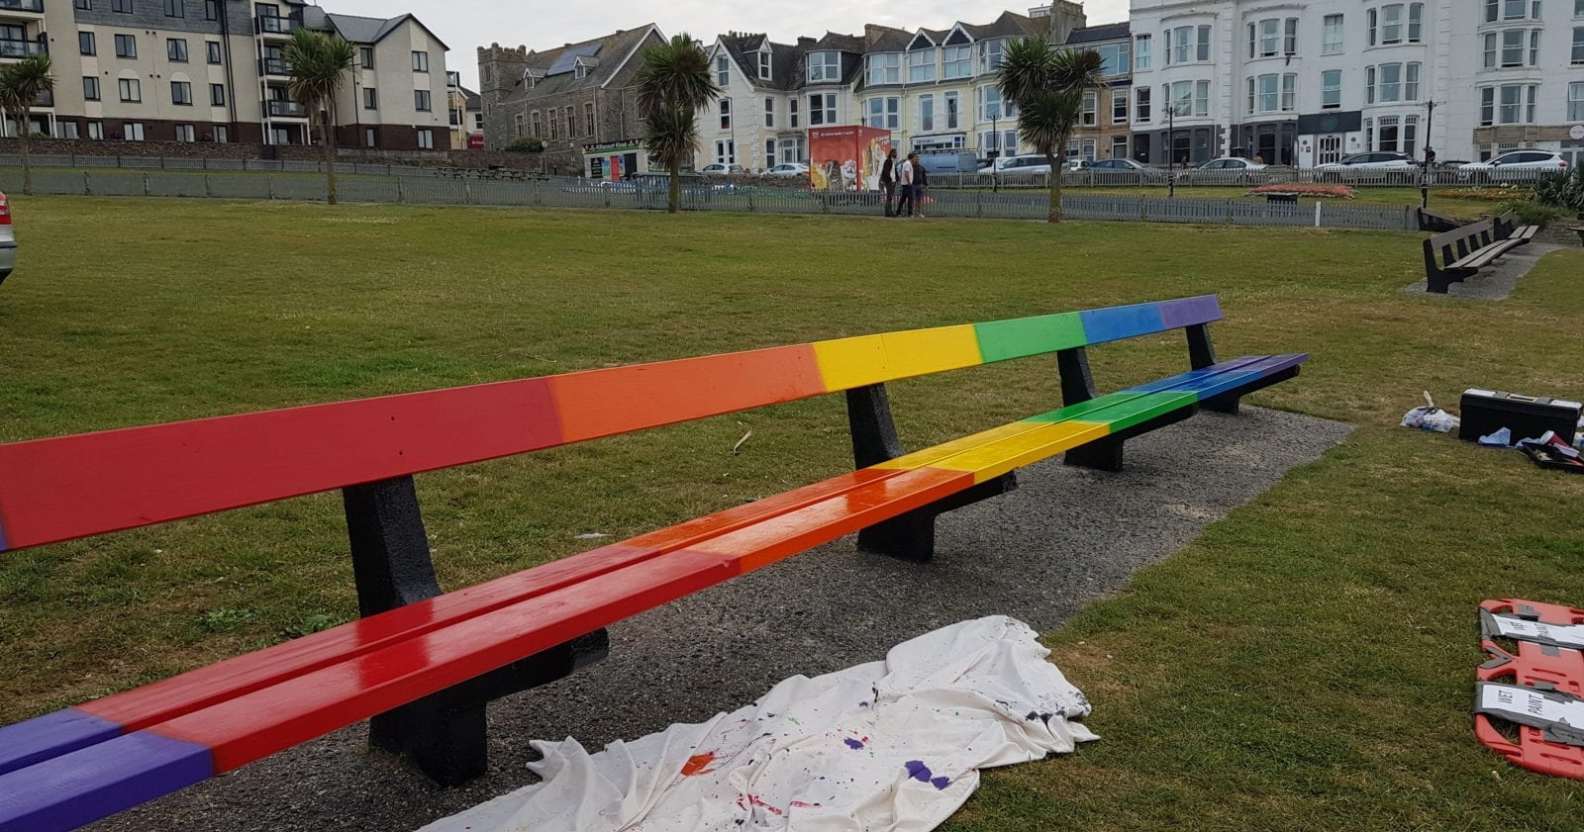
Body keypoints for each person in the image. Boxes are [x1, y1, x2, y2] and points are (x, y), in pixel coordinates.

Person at [895, 151, 915, 217]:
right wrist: (909, 182)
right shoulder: (908, 164)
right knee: (910, 199)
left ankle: (898, 212)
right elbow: (906, 173)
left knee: (903, 199)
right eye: (914, 158)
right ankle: (910, 213)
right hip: (907, 184)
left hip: (905, 184)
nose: (915, 159)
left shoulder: (906, 163)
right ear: (912, 158)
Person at [879, 149, 897, 217]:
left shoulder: (893, 161)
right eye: (895, 153)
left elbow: (893, 172)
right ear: (891, 153)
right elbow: (886, 171)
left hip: (893, 181)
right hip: (889, 181)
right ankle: (889, 212)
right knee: (889, 197)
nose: (896, 154)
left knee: (890, 197)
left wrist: (896, 179)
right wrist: (890, 180)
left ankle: (888, 212)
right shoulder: (888, 161)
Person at [911, 153, 928, 219]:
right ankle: (912, 213)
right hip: (912, 185)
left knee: (919, 200)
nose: (917, 159)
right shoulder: (911, 167)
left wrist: (926, 185)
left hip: (919, 185)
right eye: (915, 158)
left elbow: (924, 177)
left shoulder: (921, 168)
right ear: (913, 159)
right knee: (912, 200)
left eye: (918, 158)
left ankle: (919, 213)